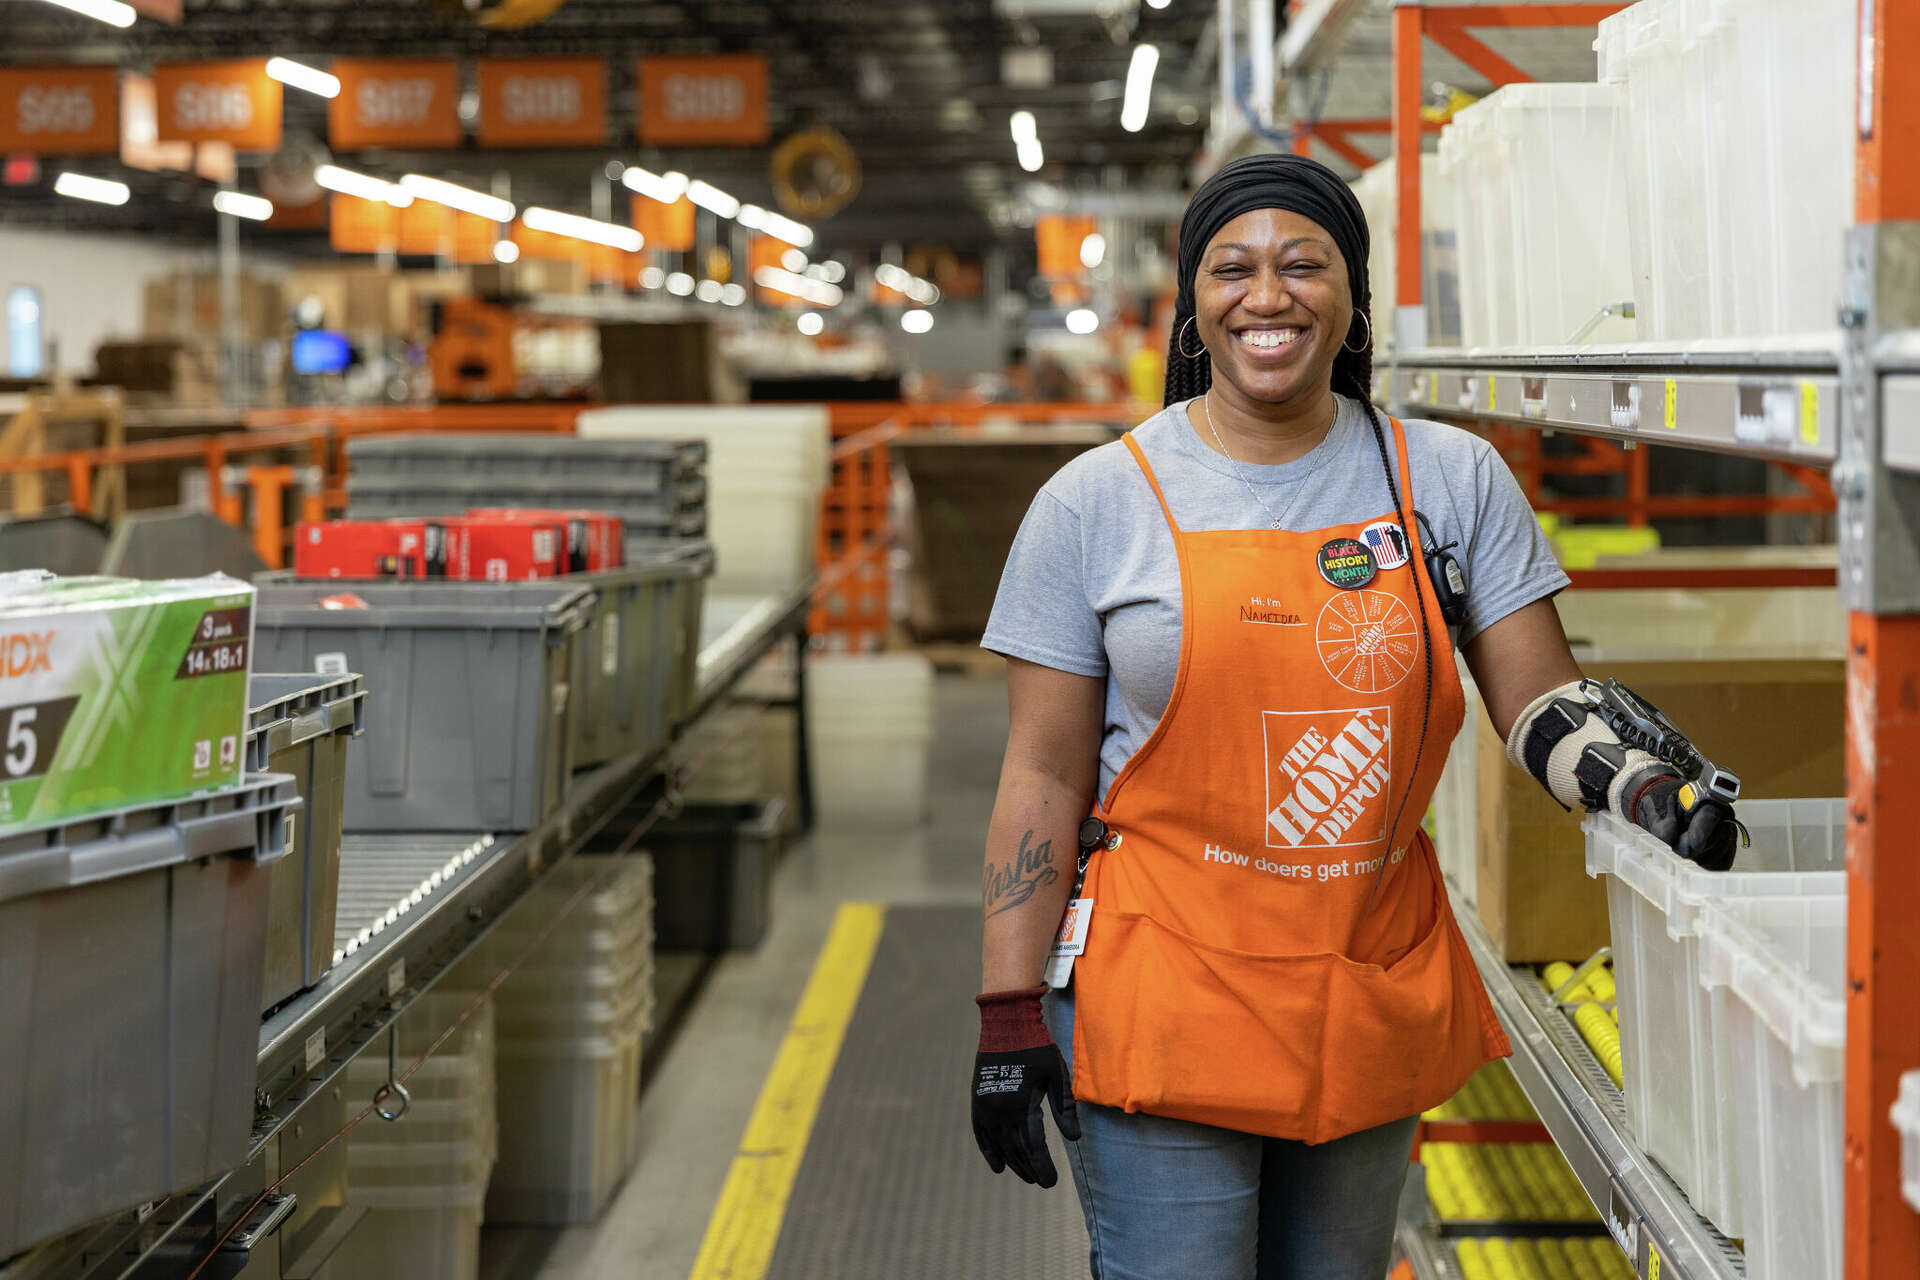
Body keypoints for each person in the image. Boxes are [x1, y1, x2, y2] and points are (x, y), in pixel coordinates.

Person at [971, 154, 1743, 1280]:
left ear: (1352, 294)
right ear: (1193, 301)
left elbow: (1539, 700)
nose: (1267, 295)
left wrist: (1634, 785)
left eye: (1303, 263)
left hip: (1362, 978)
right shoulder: (1095, 502)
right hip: (1165, 987)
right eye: (1231, 267)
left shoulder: (1450, 478)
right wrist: (1005, 1005)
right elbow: (1041, 775)